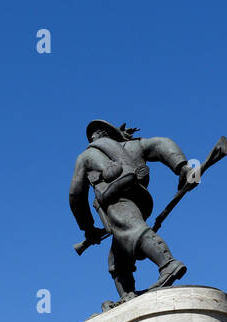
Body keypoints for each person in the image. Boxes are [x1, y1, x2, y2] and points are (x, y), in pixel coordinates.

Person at [70, 119, 193, 306]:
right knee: (117, 258)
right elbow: (161, 144)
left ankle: (167, 264)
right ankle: (127, 294)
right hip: (139, 199)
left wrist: (87, 228)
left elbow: (75, 195)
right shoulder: (133, 146)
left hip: (115, 199)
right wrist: (181, 166)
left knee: (132, 230)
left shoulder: (85, 157)